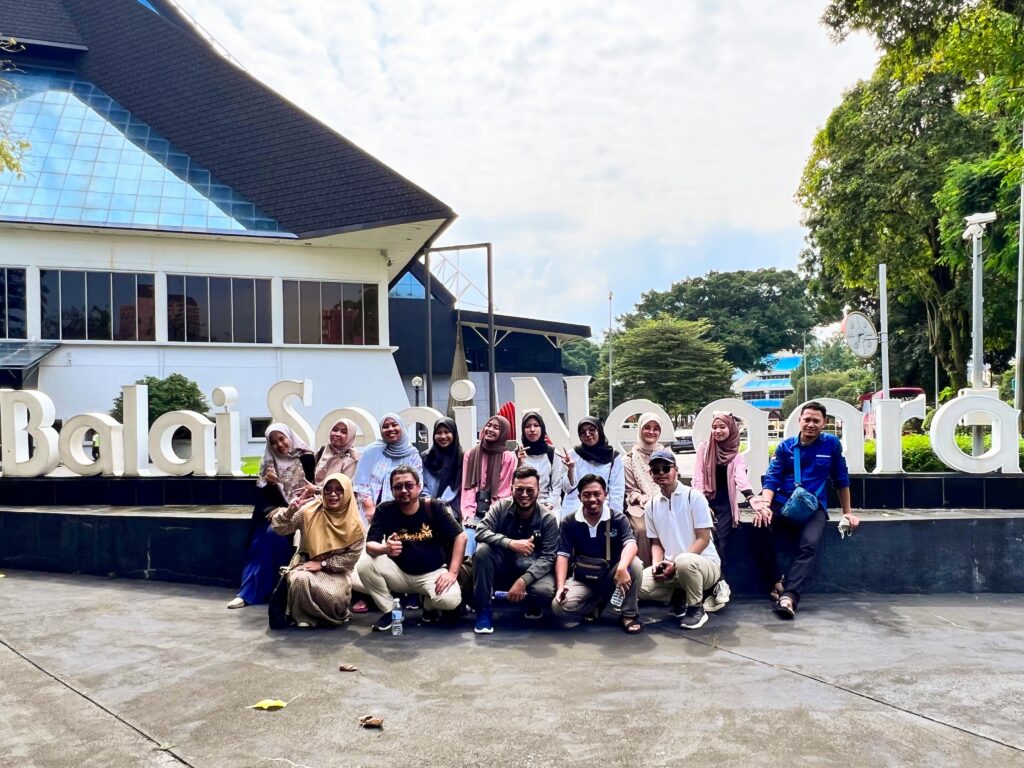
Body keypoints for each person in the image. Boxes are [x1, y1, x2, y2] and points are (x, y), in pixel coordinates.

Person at [756, 401, 860, 619]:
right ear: (799, 421)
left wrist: (847, 512)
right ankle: (776, 580)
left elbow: (841, 479)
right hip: (783, 502)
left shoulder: (831, 444)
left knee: (809, 545)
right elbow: (772, 479)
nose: (811, 424)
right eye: (807, 419)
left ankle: (789, 597)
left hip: (814, 506)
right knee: (759, 525)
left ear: (824, 423)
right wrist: (765, 506)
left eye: (816, 420)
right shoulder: (786, 447)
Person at [357, 465, 468, 630]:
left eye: (408, 485)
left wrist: (452, 573)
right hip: (399, 573)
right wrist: (385, 549)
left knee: (450, 600)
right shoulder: (385, 510)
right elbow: (370, 546)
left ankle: (428, 605)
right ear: (392, 490)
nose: (403, 490)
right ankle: (391, 610)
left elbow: (461, 536)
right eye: (397, 487)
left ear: (419, 486)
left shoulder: (433, 507)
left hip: (433, 573)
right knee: (365, 564)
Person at [228, 423, 314, 609]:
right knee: (263, 538)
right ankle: (249, 593)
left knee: (274, 534)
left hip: (305, 510)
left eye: (282, 438)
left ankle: (281, 591)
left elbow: (314, 487)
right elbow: (262, 497)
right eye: (273, 442)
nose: (279, 445)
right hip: (278, 514)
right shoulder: (269, 464)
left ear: (290, 437)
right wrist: (271, 502)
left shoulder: (307, 458)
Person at [470, 465, 559, 634]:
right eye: (519, 490)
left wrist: (523, 581)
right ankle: (484, 611)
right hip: (502, 565)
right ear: (511, 489)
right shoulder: (500, 507)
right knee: (482, 551)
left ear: (538, 490)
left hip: (531, 569)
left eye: (529, 490)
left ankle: (532, 603)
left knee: (544, 591)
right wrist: (510, 543)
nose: (524, 495)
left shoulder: (547, 518)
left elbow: (548, 557)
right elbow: (480, 531)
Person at [639, 449, 721, 630]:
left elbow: (703, 539)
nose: (661, 473)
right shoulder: (651, 505)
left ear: (676, 470)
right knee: (639, 584)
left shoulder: (694, 496)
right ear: (650, 473)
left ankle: (696, 608)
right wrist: (656, 565)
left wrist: (675, 564)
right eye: (656, 469)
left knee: (685, 561)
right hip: (673, 567)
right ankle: (679, 595)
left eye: (666, 468)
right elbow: (656, 543)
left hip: (704, 565)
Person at [269, 472, 365, 627]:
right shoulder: (309, 511)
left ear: (347, 492)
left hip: (336, 572)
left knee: (332, 597)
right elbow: (280, 529)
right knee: (300, 580)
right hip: (306, 564)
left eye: (339, 490)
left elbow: (351, 558)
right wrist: (290, 511)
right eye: (328, 489)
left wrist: (323, 564)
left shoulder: (356, 525)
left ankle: (331, 616)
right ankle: (303, 617)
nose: (333, 494)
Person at [552, 474, 644, 634]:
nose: (592, 499)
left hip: (611, 575)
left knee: (634, 565)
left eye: (597, 494)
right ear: (579, 497)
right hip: (583, 577)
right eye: (586, 495)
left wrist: (622, 568)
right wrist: (560, 587)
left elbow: (631, 544)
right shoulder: (569, 521)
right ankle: (597, 603)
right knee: (559, 607)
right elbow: (562, 555)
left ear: (605, 495)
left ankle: (629, 614)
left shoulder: (618, 519)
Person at [692, 412, 763, 611]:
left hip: (724, 507)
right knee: (705, 541)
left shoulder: (736, 455)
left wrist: (751, 497)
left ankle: (717, 586)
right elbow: (697, 479)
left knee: (717, 541)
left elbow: (740, 478)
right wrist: (702, 504)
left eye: (722, 427)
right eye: (715, 427)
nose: (718, 431)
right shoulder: (704, 449)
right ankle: (718, 585)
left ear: (731, 429)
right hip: (705, 503)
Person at [353, 413, 422, 523]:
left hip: (402, 509)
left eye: (394, 425)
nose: (390, 429)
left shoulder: (412, 454)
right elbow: (361, 482)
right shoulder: (371, 451)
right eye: (385, 426)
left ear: (402, 427)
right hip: (370, 511)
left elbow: (417, 483)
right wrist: (369, 506)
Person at [560, 417, 625, 519]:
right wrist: (571, 470)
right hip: (576, 503)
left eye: (591, 430)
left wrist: (615, 516)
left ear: (599, 430)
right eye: (582, 432)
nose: (587, 434)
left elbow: (617, 490)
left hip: (603, 503)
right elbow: (567, 489)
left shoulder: (613, 456)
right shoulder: (573, 454)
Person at [622, 412, 664, 567]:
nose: (651, 432)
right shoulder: (629, 458)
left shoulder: (666, 455)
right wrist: (642, 498)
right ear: (640, 429)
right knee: (641, 529)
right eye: (647, 427)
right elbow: (631, 489)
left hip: (665, 501)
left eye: (656, 428)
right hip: (640, 505)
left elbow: (672, 482)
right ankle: (645, 573)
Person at [460, 415, 517, 522]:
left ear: (504, 432)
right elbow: (467, 488)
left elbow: (504, 493)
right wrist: (468, 516)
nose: (490, 430)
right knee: (469, 536)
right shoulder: (471, 454)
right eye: (488, 425)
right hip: (473, 513)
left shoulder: (509, 458)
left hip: (498, 514)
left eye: (496, 428)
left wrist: (492, 517)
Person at [515, 411, 565, 511]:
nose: (532, 429)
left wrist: (550, 504)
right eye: (528, 426)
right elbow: (514, 484)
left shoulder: (552, 453)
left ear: (542, 428)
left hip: (548, 504)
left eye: (536, 425)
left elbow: (556, 486)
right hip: (523, 504)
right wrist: (519, 462)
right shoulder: (518, 453)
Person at [421, 417, 464, 515]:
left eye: (447, 432)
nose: (443, 436)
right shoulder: (426, 457)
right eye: (439, 432)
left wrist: (441, 502)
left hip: (452, 510)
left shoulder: (461, 458)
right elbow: (421, 482)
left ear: (454, 433)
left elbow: (457, 485)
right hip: (427, 507)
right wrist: (430, 501)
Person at [314, 417, 361, 485]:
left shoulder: (352, 459)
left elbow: (345, 489)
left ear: (350, 436)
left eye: (344, 432)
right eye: (335, 430)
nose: (337, 434)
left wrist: (315, 490)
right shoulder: (323, 450)